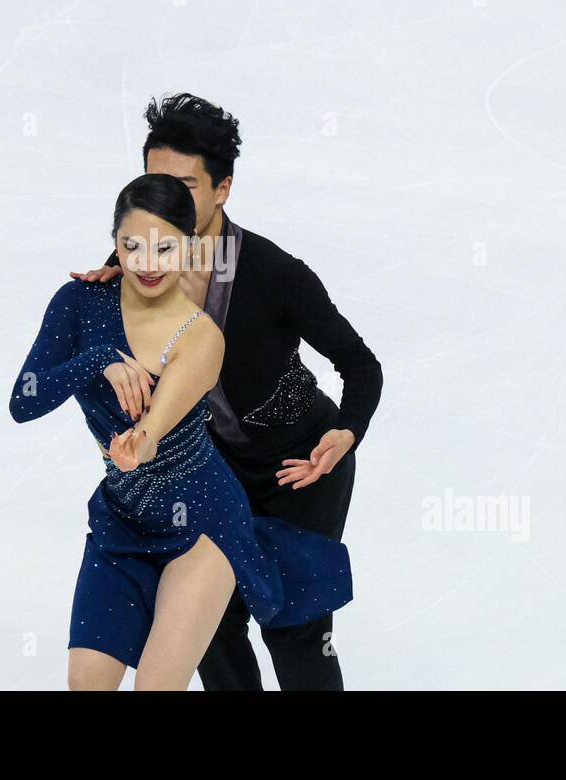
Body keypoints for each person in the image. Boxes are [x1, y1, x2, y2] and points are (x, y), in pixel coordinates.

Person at [72, 94, 383, 690]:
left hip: (301, 470)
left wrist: (347, 431)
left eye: (186, 185)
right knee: (205, 626)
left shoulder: (275, 275)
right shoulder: (137, 265)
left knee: (295, 631)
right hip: (215, 473)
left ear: (224, 189)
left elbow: (360, 364)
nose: (166, 201)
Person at [10, 173, 353, 691]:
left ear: (191, 249)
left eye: (164, 248)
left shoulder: (199, 337)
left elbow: (150, 433)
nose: (147, 263)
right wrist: (98, 360)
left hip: (204, 527)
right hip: (121, 521)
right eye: (132, 246)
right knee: (86, 685)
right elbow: (24, 400)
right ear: (115, 244)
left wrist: (138, 442)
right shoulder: (78, 302)